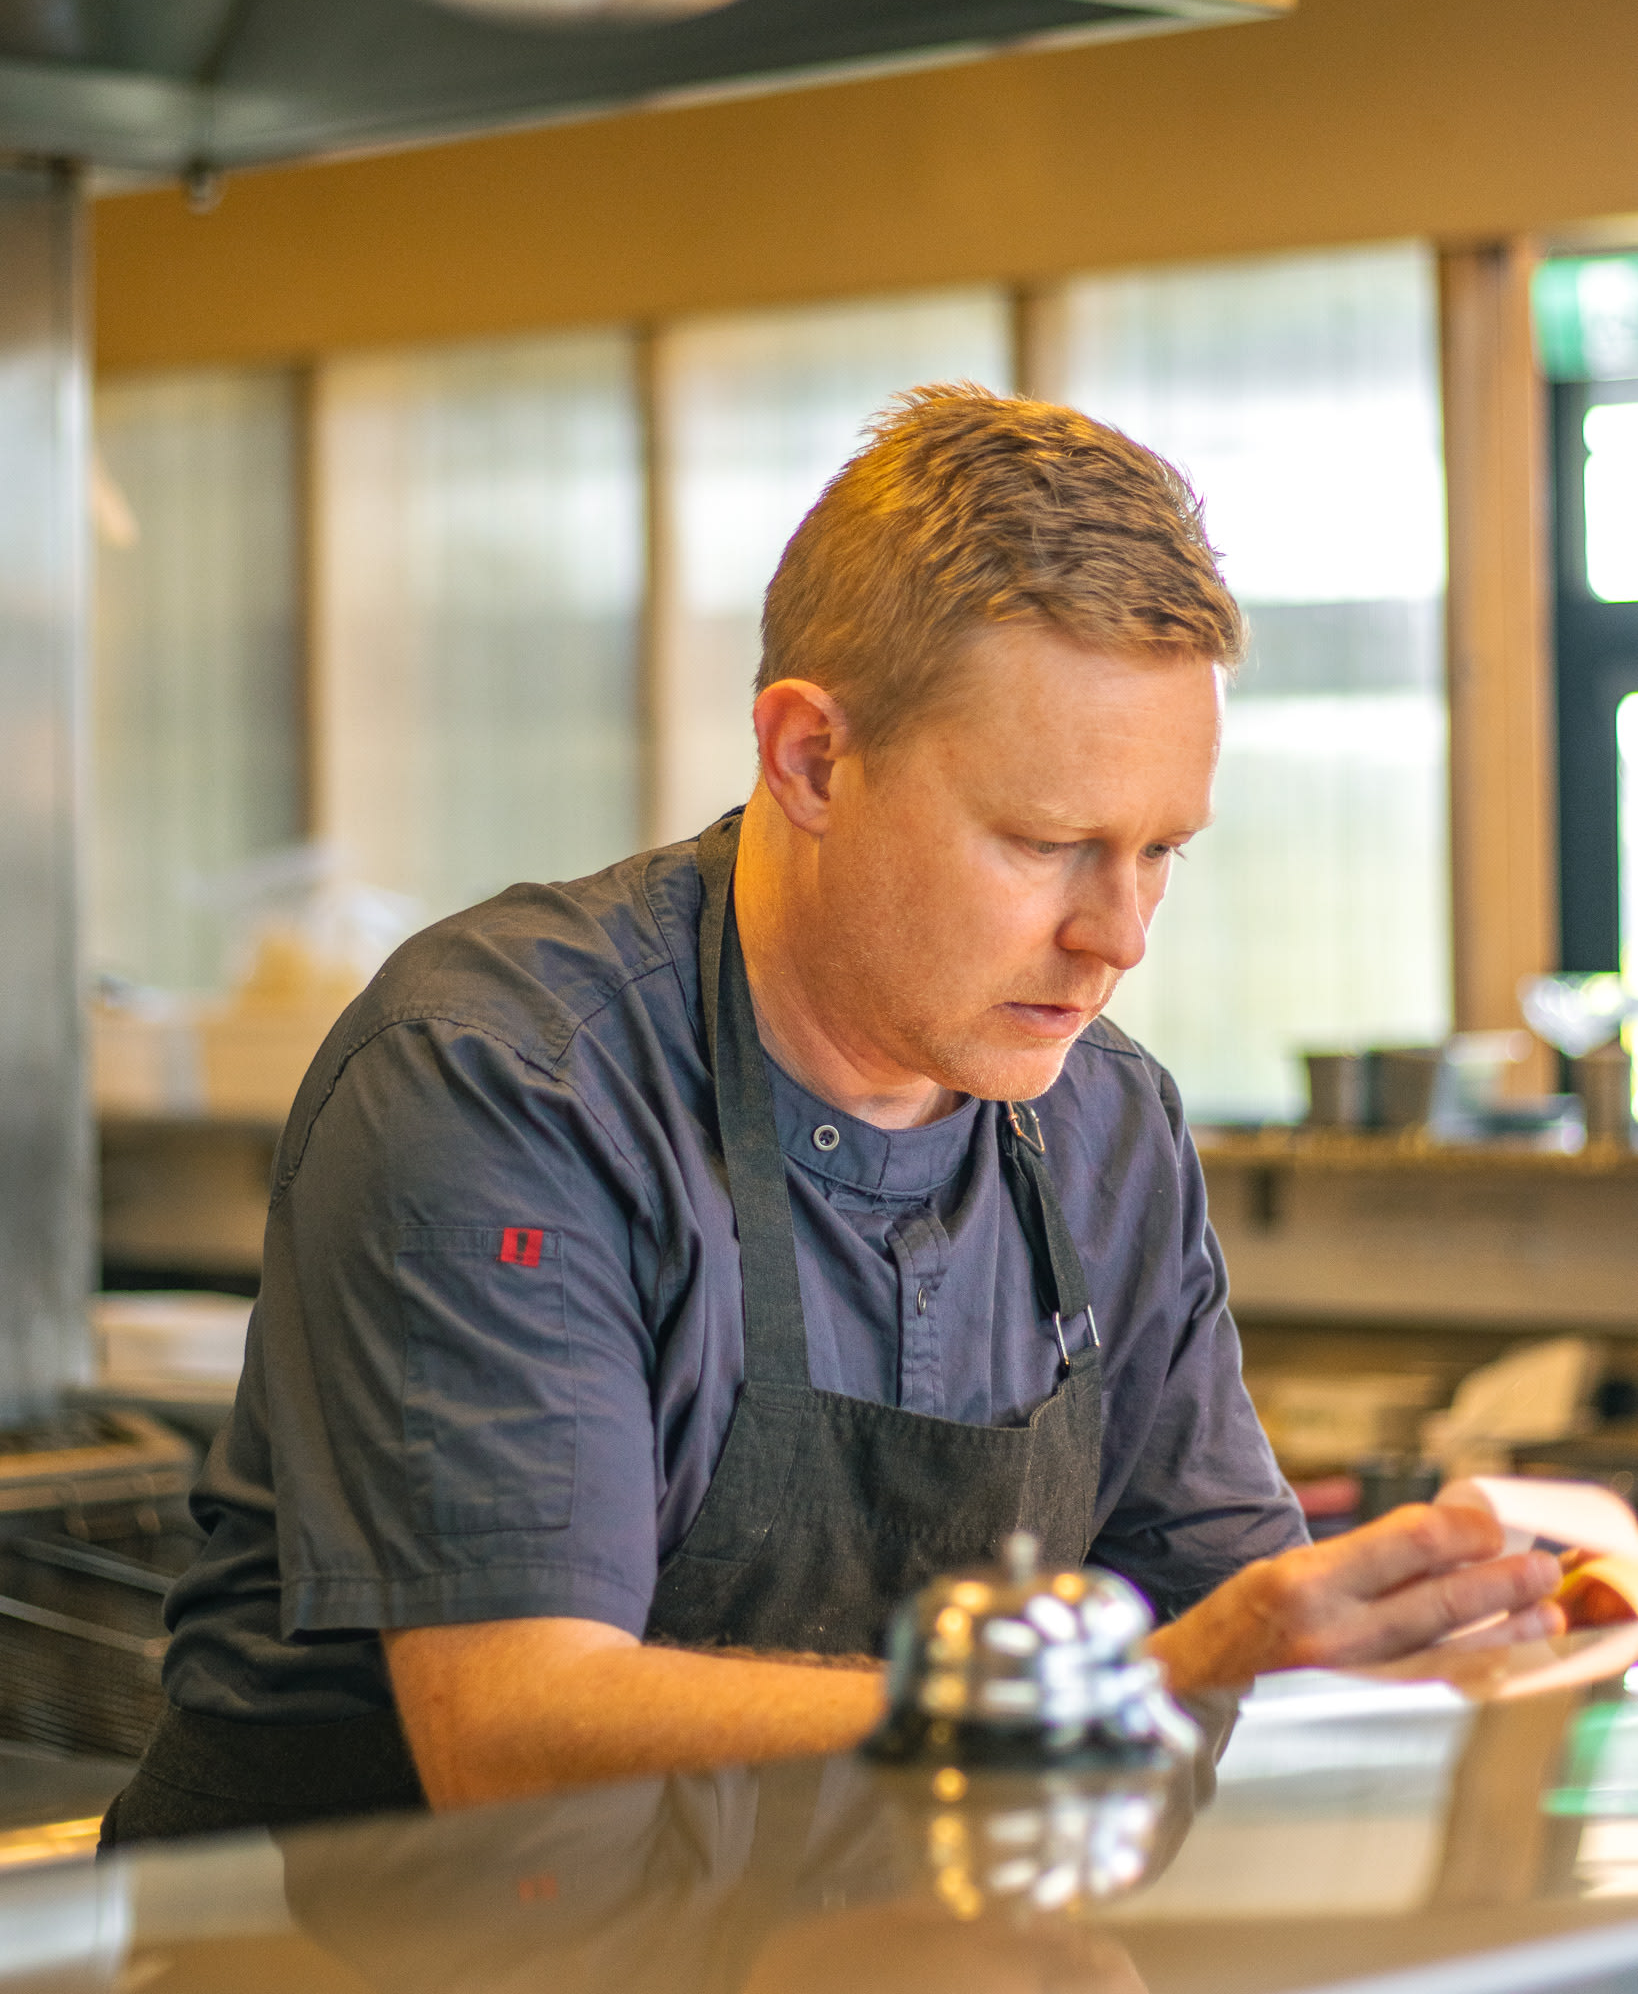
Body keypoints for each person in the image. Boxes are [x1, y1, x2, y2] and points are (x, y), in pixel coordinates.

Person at [102, 386, 1563, 1845]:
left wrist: (1432, 1619)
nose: (1118, 937)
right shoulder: (504, 1076)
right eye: (1048, 845)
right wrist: (1089, 1694)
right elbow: (513, 1731)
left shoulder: (1105, 1127)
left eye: (1160, 851)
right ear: (809, 758)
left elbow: (1221, 1626)